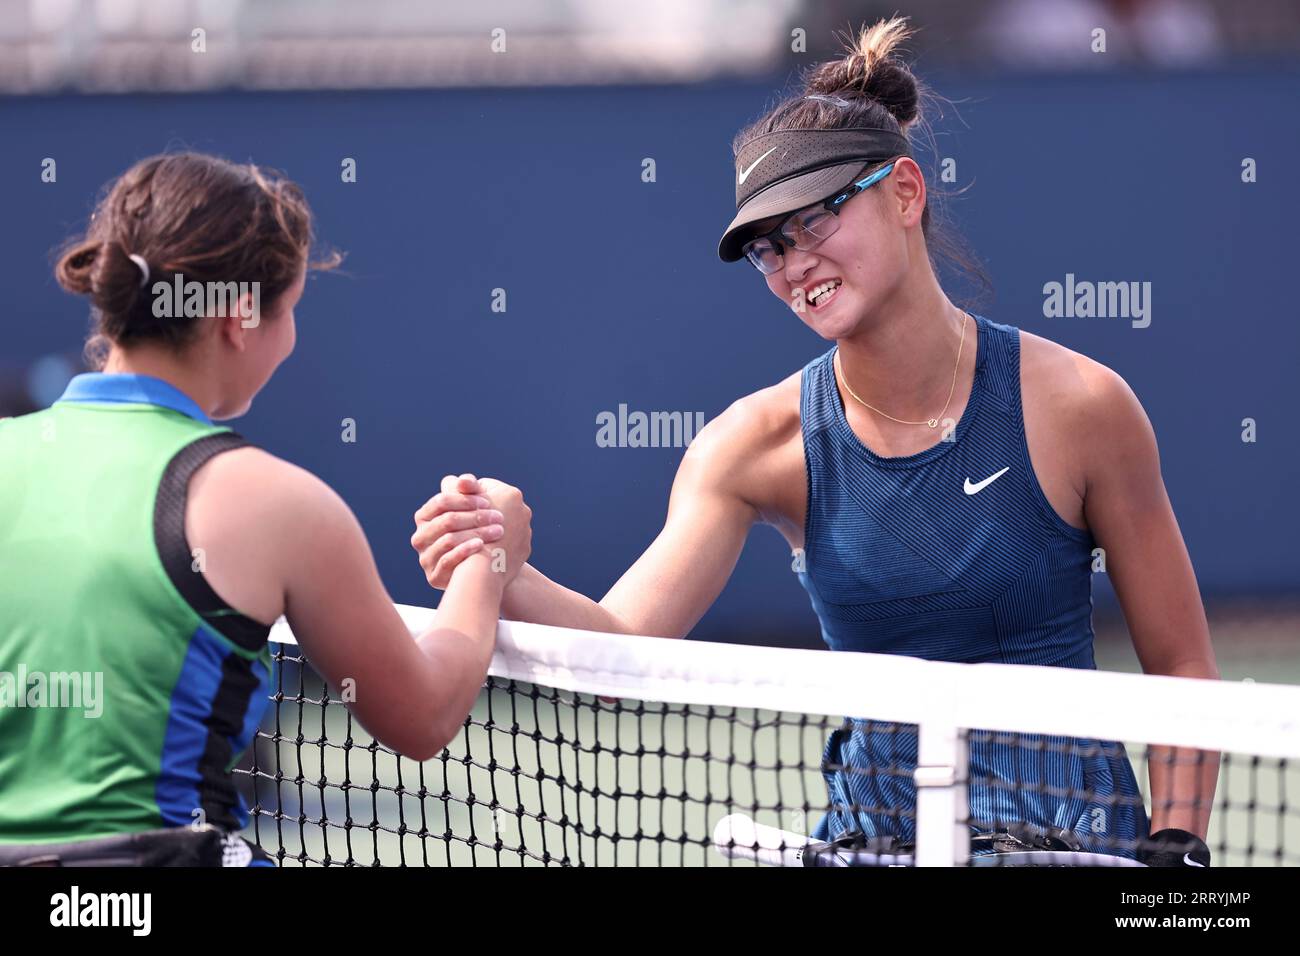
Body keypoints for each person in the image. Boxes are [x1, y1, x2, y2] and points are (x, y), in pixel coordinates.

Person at [411, 19, 1218, 865]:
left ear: (905, 192)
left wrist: (1177, 846)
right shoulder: (751, 447)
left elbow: (1182, 665)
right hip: (876, 845)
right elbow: (622, 645)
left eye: (817, 219)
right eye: (768, 246)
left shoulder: (1085, 406)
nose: (793, 263)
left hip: (1076, 847)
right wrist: (504, 559)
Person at [0, 152, 530, 866]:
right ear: (239, 322)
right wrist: (486, 552)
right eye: (291, 310)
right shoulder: (275, 502)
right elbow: (426, 714)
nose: (292, 337)